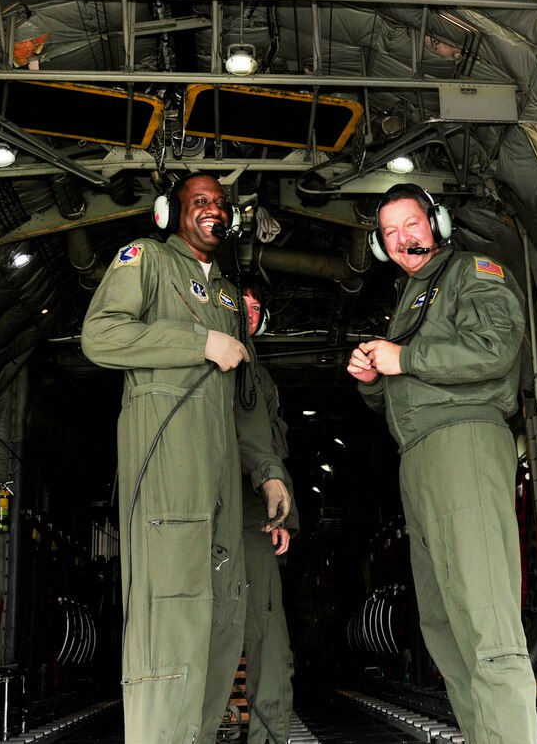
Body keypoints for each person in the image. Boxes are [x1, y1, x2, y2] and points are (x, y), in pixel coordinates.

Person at [81, 172, 291, 744]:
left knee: (221, 623)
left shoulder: (227, 296)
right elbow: (99, 337)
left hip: (223, 482)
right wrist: (197, 344)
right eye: (200, 201)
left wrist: (269, 472)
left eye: (220, 204)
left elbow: (245, 403)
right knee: (169, 624)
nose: (213, 211)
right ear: (169, 212)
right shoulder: (146, 260)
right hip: (169, 474)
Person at [347, 183, 537, 744]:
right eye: (390, 233)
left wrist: (403, 356)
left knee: (486, 622)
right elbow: (409, 388)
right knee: (444, 625)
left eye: (411, 224)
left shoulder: (472, 272)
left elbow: (493, 350)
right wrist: (373, 380)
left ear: (437, 223)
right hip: (421, 459)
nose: (403, 239)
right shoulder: (413, 299)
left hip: (465, 446)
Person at [239, 286, 299, 744]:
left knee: (269, 638)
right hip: (207, 509)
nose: (252, 312)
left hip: (256, 515)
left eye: (259, 305)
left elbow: (273, 448)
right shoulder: (207, 357)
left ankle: (267, 738)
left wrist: (286, 519)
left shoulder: (262, 378)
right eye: (243, 303)